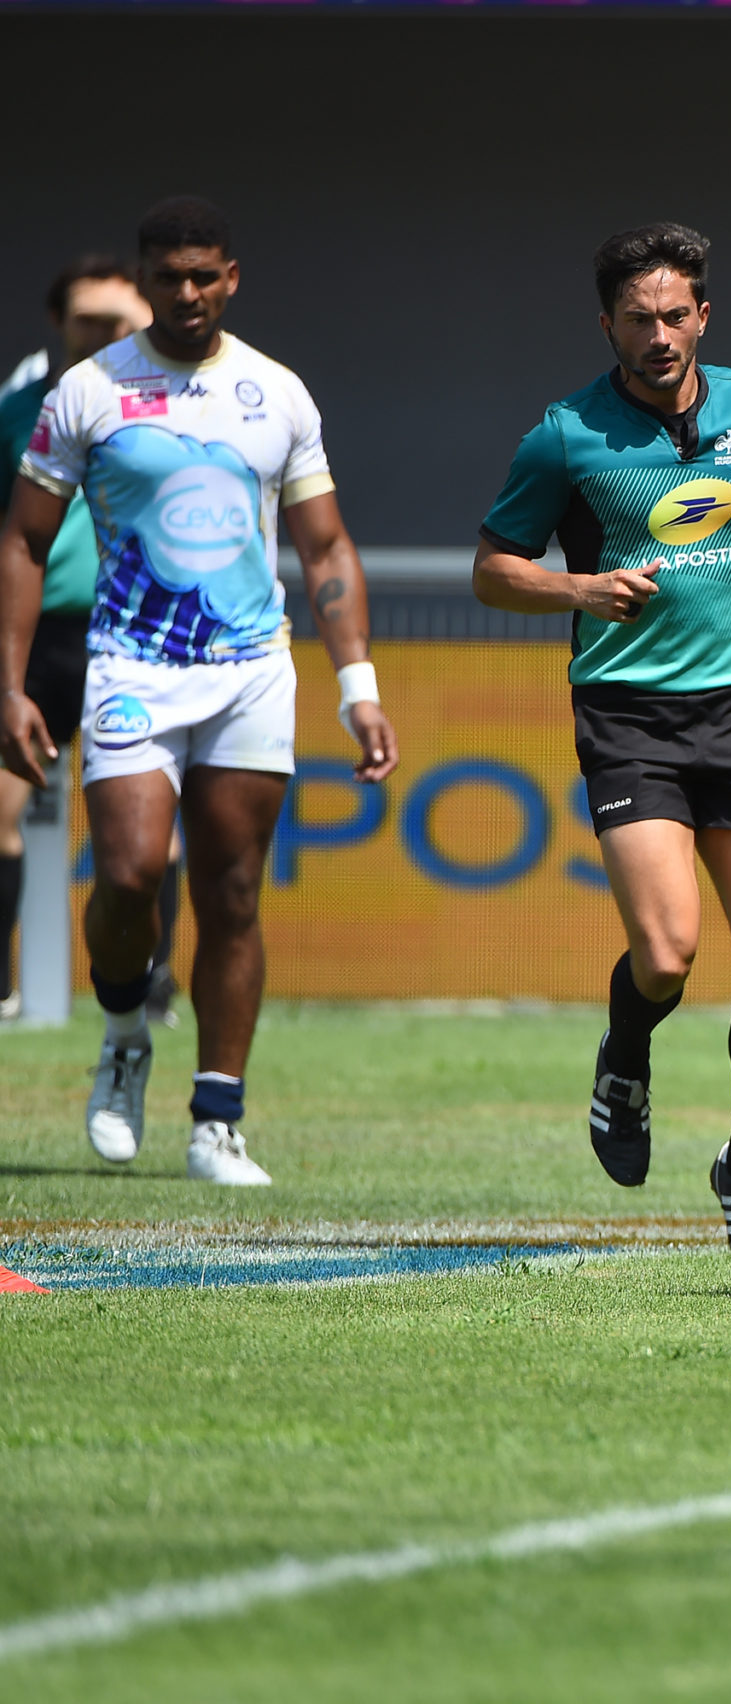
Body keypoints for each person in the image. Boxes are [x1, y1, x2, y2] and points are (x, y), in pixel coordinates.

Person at [471, 222, 731, 1253]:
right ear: (607, 326)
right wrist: (580, 589)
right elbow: (492, 569)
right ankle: (625, 1057)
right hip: (630, 716)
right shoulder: (565, 436)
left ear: (703, 316)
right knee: (669, 952)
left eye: (675, 314)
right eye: (637, 319)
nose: (659, 335)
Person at [0, 196, 400, 1184]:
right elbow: (24, 542)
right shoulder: (88, 391)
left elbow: (325, 547)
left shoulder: (278, 393)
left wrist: (357, 684)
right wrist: (9, 685)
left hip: (249, 670)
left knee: (231, 891)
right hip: (131, 665)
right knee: (130, 874)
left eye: (203, 275)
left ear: (231, 278)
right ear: (145, 282)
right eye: (168, 276)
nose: (186, 292)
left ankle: (218, 1120)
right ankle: (124, 1031)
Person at [0, 257, 164, 1025]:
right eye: (88, 320)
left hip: (138, 639)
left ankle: (151, 992)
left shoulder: (176, 408)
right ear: (59, 323)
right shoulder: (18, 412)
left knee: (148, 837)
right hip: (40, 639)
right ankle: (4, 987)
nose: (104, 334)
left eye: (120, 321)